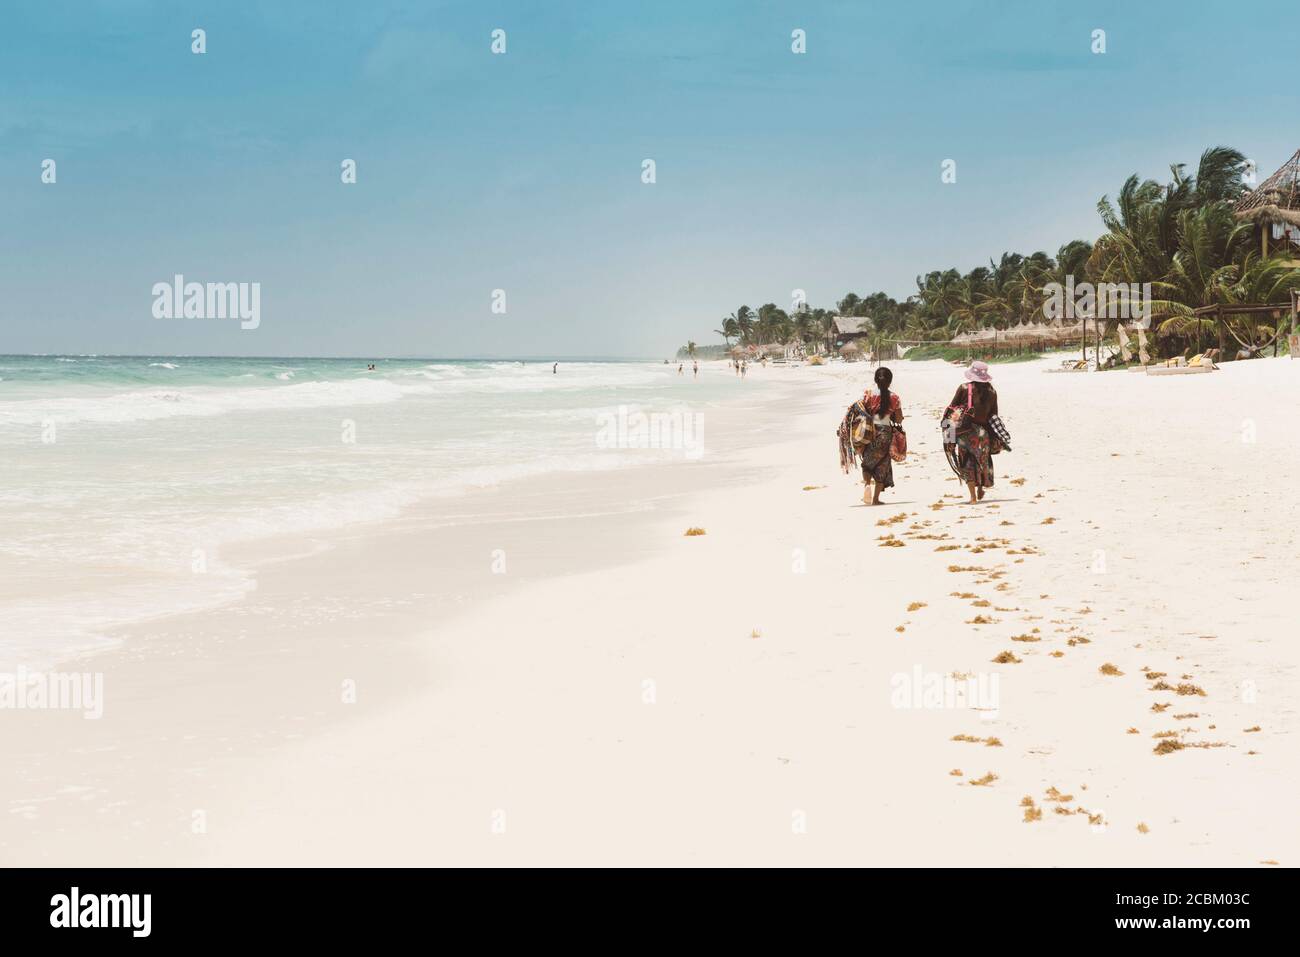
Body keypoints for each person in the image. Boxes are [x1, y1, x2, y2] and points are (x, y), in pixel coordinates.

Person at [840, 366, 903, 506]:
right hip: (884, 433)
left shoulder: (868, 395)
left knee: (867, 463)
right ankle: (875, 499)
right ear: (890, 381)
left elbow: (857, 410)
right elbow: (898, 419)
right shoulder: (895, 397)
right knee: (883, 464)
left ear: (875, 380)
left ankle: (867, 485)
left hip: (868, 432)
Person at [942, 360, 998, 504]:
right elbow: (993, 415)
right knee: (982, 461)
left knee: (966, 461)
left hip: (964, 432)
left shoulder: (963, 388)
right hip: (982, 433)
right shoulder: (992, 392)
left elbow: (951, 410)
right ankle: (981, 487)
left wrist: (948, 436)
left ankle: (973, 497)